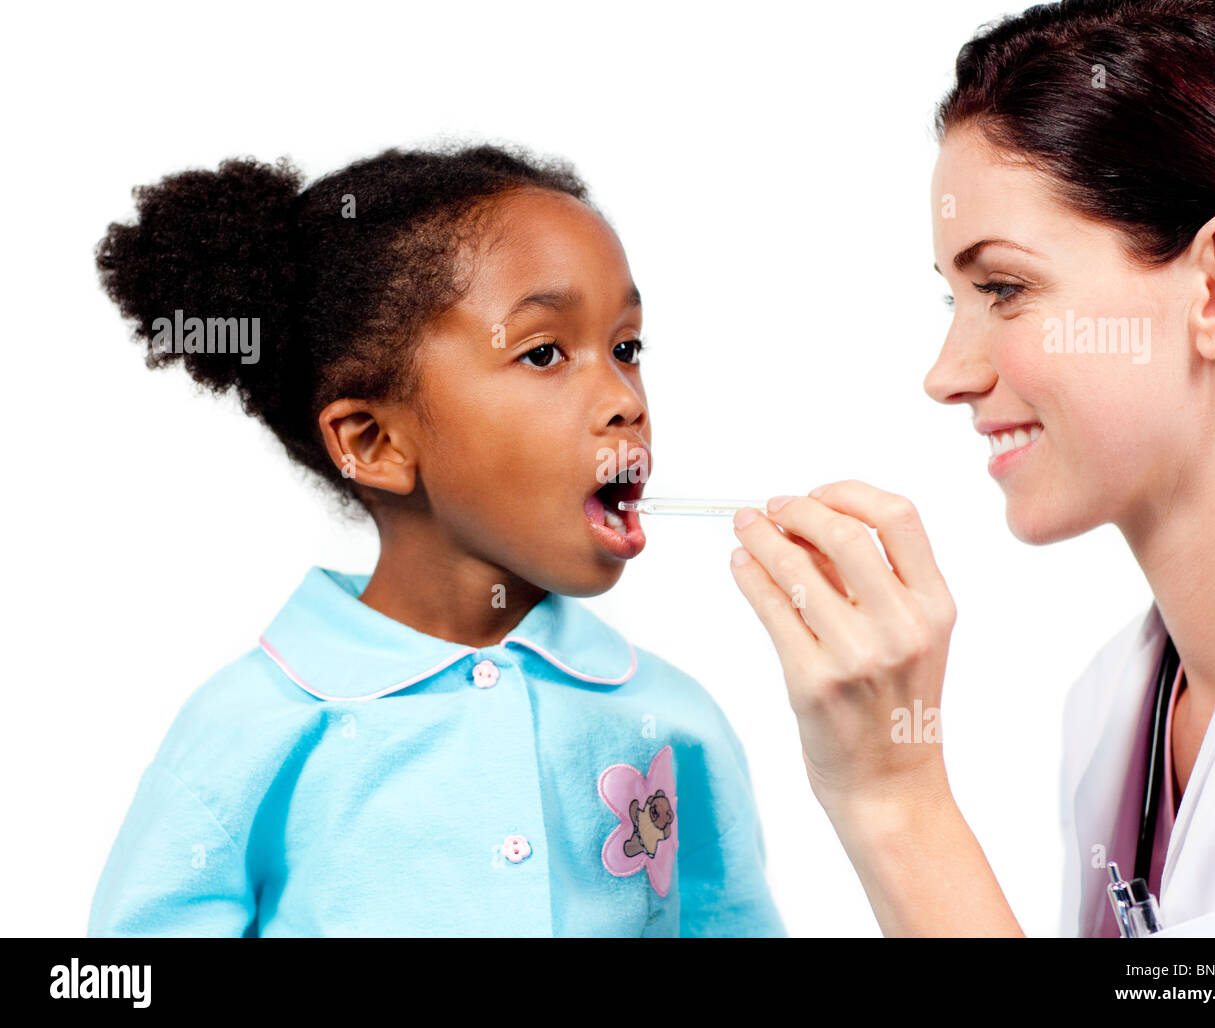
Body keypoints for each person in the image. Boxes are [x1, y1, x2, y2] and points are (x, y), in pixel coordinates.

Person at [88, 144, 785, 937]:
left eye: (626, 349)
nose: (624, 399)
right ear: (375, 441)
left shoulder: (673, 719)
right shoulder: (249, 730)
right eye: (545, 352)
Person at [728, 0, 1215, 936]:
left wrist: (893, 798)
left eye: (1004, 289)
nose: (948, 375)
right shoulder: (1116, 705)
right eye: (954, 299)